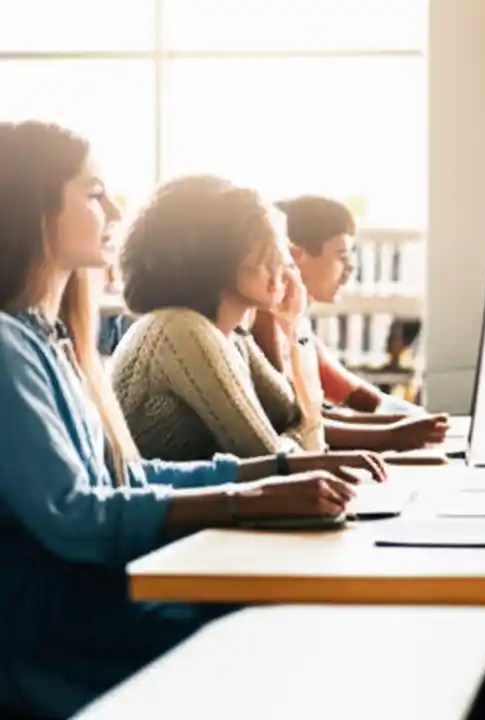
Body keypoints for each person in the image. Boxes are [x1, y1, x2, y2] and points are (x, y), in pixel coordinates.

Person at [0, 121, 383, 717]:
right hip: (51, 632)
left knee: (293, 620)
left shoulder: (54, 340)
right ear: (35, 206)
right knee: (285, 632)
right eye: (95, 194)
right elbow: (77, 517)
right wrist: (248, 497)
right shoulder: (8, 348)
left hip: (94, 598)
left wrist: (274, 476)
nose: (116, 210)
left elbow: (127, 476)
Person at [111, 178, 442, 460]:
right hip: (180, 536)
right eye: (266, 244)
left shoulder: (233, 337)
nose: (283, 259)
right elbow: (276, 459)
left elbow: (301, 420)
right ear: (216, 256)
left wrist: (295, 325)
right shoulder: (181, 330)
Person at [254, 195, 447, 437]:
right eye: (342, 256)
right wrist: (392, 434)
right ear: (296, 255)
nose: (352, 267)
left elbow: (357, 395)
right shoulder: (267, 324)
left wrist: (425, 422)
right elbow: (292, 422)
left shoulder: (298, 326)